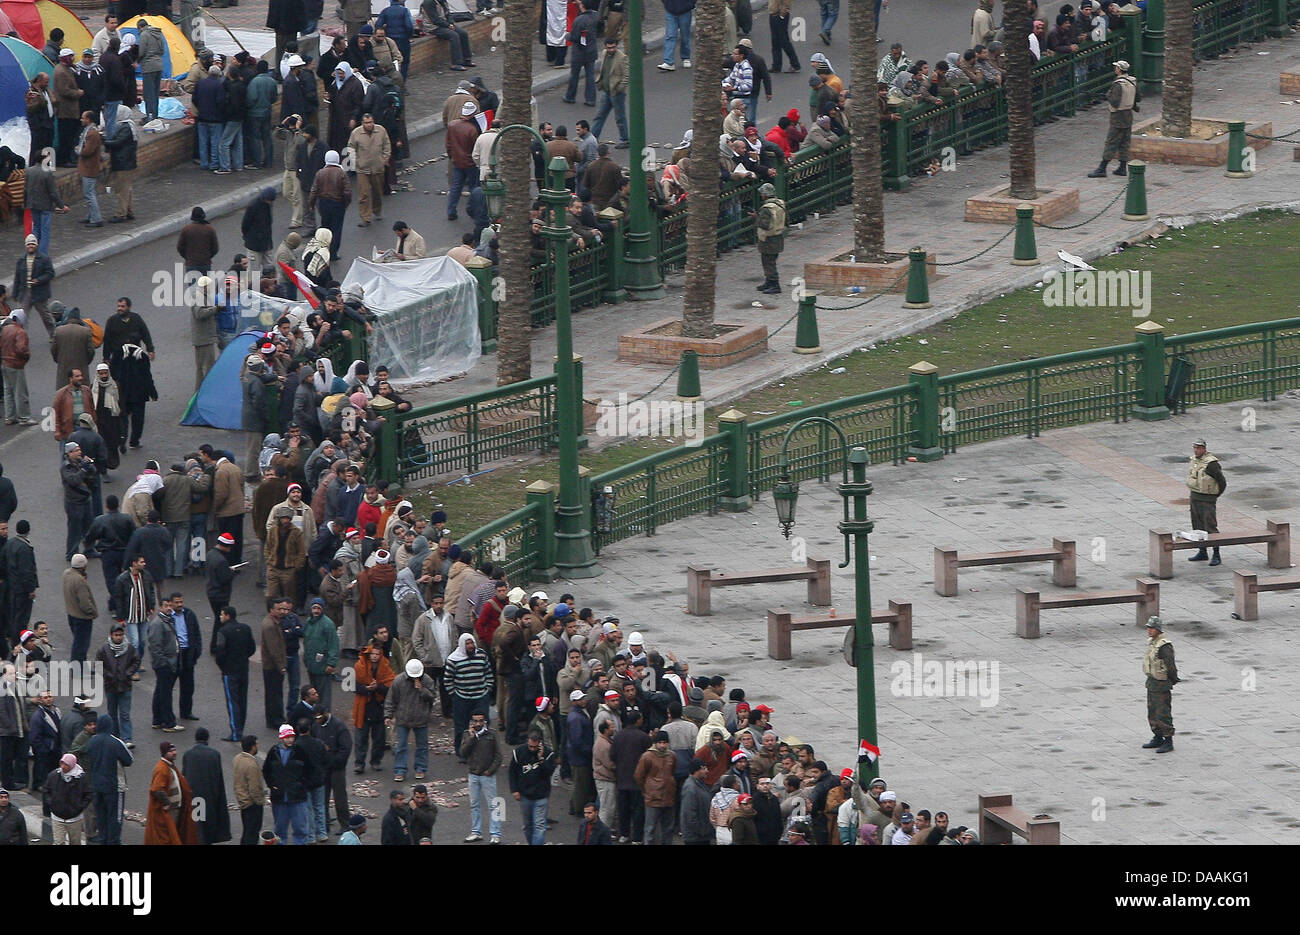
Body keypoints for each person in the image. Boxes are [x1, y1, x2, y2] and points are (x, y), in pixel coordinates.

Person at [1088, 60, 1140, 178]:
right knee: (1125, 142)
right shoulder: (1133, 81)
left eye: (1116, 67)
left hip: (1118, 116)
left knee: (1111, 141)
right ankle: (1122, 167)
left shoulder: (1118, 84)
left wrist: (1108, 96)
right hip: (1128, 115)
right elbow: (1139, 97)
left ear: (1119, 70)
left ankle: (1102, 168)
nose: (1115, 69)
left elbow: (1115, 102)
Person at [386, 658, 435, 782]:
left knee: (422, 746)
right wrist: (388, 715)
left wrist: (422, 690)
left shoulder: (428, 680)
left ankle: (421, 768)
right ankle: (400, 770)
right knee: (401, 745)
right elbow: (391, 699)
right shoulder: (398, 681)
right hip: (403, 717)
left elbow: (432, 697)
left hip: (421, 718)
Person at [182, 727, 231, 844]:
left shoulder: (188, 754)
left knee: (197, 828)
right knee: (209, 828)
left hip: (194, 797)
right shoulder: (214, 754)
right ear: (207, 738)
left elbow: (184, 775)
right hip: (210, 797)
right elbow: (218, 778)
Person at [1182, 436, 1227, 565]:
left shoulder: (1211, 464)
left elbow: (1222, 482)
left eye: (1198, 448)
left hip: (1207, 500)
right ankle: (1202, 551)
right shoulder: (1195, 461)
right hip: (1195, 497)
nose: (1196, 451)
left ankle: (1216, 554)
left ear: (1204, 449)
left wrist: (1214, 496)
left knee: (1210, 527)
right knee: (1198, 527)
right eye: (1194, 448)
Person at [263, 724, 311, 844]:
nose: (290, 740)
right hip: (279, 797)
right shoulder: (273, 752)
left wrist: (302, 785)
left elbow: (310, 770)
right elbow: (266, 771)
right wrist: (271, 785)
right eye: (287, 737)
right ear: (281, 738)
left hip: (297, 798)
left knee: (300, 828)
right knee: (279, 830)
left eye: (292, 737)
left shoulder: (300, 751)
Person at [144, 740, 199, 844]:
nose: (174, 753)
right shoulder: (162, 768)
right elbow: (157, 789)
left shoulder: (169, 766)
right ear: (164, 753)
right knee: (168, 838)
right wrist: (168, 804)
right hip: (169, 812)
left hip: (174, 809)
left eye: (174, 750)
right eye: (171, 751)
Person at [352, 641, 395, 773]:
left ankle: (376, 761)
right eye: (373, 654)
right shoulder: (359, 666)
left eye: (377, 654)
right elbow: (353, 686)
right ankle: (359, 763)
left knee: (379, 738)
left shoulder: (385, 667)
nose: (375, 656)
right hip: (363, 707)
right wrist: (367, 688)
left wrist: (378, 688)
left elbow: (390, 686)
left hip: (378, 706)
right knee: (361, 738)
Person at [509, 728, 556, 845]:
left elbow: (548, 772)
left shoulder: (548, 754)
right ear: (527, 741)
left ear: (540, 743)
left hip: (541, 795)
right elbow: (512, 772)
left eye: (535, 747)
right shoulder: (519, 752)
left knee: (540, 826)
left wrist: (541, 759)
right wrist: (514, 790)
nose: (533, 749)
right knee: (528, 825)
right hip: (525, 795)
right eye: (530, 746)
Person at [1141, 616, 1179, 753]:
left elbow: (1171, 665)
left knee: (1163, 713)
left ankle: (1168, 740)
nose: (1149, 630)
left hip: (1162, 684)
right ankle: (1157, 736)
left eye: (1151, 628)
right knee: (1152, 712)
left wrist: (1173, 679)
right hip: (1152, 682)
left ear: (1157, 629)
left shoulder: (1164, 646)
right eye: (1148, 628)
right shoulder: (1153, 643)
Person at [312, 705, 352, 835]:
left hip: (336, 768)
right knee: (322, 798)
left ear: (325, 713)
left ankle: (345, 824)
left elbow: (345, 749)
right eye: (315, 718)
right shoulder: (316, 726)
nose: (317, 720)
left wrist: (333, 761)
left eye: (318, 717)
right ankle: (324, 823)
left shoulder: (339, 726)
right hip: (323, 768)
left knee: (340, 797)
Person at [348, 113, 391, 227]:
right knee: (364, 194)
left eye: (371, 122)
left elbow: (387, 145)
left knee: (377, 192)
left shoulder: (381, 131)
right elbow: (351, 148)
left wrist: (384, 159)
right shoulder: (356, 133)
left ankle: (377, 211)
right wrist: (355, 162)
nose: (369, 125)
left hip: (377, 168)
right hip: (363, 169)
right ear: (362, 123)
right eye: (366, 123)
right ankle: (365, 218)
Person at [12, 236, 57, 339]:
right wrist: (15, 293)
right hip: (25, 293)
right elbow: (17, 278)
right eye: (28, 244)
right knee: (22, 317)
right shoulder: (21, 260)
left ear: (36, 245)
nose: (30, 246)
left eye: (32, 244)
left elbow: (50, 273)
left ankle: (54, 335)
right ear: (26, 246)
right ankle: (20, 338)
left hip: (39, 293)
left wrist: (38, 280)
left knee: (46, 316)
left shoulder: (44, 259)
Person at [44, 752, 92, 844]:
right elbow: (47, 790)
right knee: (58, 842)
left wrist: (79, 807)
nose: (63, 766)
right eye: (61, 763)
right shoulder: (54, 775)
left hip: (75, 819)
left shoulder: (81, 778)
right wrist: (52, 804)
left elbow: (88, 794)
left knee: (75, 842)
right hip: (57, 817)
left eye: (66, 764)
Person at [590, 39, 629, 148]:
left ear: (616, 46)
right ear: (605, 47)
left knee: (620, 117)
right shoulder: (604, 54)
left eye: (613, 47)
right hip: (606, 91)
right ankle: (593, 137)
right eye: (609, 47)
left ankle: (625, 139)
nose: (611, 49)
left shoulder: (622, 58)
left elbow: (627, 75)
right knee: (600, 115)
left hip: (617, 92)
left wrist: (620, 88)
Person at [0, 311, 34, 427]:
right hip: (15, 364)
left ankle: (10, 417)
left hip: (4, 363)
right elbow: (21, 349)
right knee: (20, 392)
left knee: (8, 391)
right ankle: (24, 417)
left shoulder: (5, 329)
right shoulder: (20, 332)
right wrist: (26, 356)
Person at [233, 734, 267, 844]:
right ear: (252, 747)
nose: (258, 746)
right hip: (252, 804)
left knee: (247, 831)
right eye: (256, 744)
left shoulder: (237, 759)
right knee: (252, 833)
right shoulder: (251, 764)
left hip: (243, 801)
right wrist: (261, 801)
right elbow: (254, 788)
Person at [659, 0, 695, 71]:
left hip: (685, 10)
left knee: (685, 36)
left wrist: (689, 5)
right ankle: (668, 62)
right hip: (671, 11)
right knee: (670, 36)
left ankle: (686, 57)